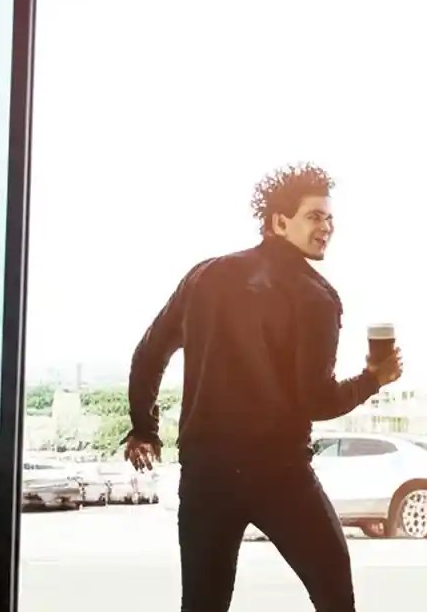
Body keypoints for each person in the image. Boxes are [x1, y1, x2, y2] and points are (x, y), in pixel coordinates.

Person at [123, 163, 404, 612]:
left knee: (202, 604)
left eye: (329, 218)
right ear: (279, 222)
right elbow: (318, 400)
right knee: (334, 594)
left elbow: (149, 353)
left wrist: (144, 428)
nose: (327, 227)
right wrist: (374, 378)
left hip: (206, 475)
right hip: (279, 474)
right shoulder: (316, 297)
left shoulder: (204, 277)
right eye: (314, 216)